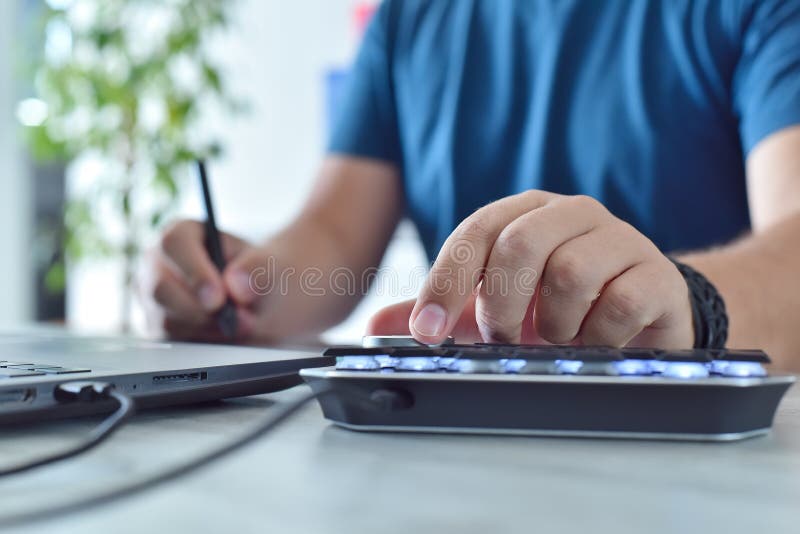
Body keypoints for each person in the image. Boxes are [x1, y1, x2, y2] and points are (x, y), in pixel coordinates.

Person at [144, 0, 800, 370]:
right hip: (461, 448)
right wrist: (242, 287)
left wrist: (689, 305)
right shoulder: (407, 19)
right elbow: (332, 235)